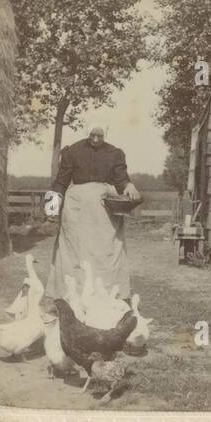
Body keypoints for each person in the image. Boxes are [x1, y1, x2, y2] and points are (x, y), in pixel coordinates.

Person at [44, 126, 141, 300]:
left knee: (105, 252)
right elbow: (61, 181)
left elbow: (121, 178)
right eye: (92, 135)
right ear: (88, 134)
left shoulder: (115, 153)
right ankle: (73, 296)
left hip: (104, 212)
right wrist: (52, 206)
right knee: (75, 251)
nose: (96, 140)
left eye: (100, 136)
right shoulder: (72, 151)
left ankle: (107, 296)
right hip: (77, 210)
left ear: (105, 135)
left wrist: (128, 185)